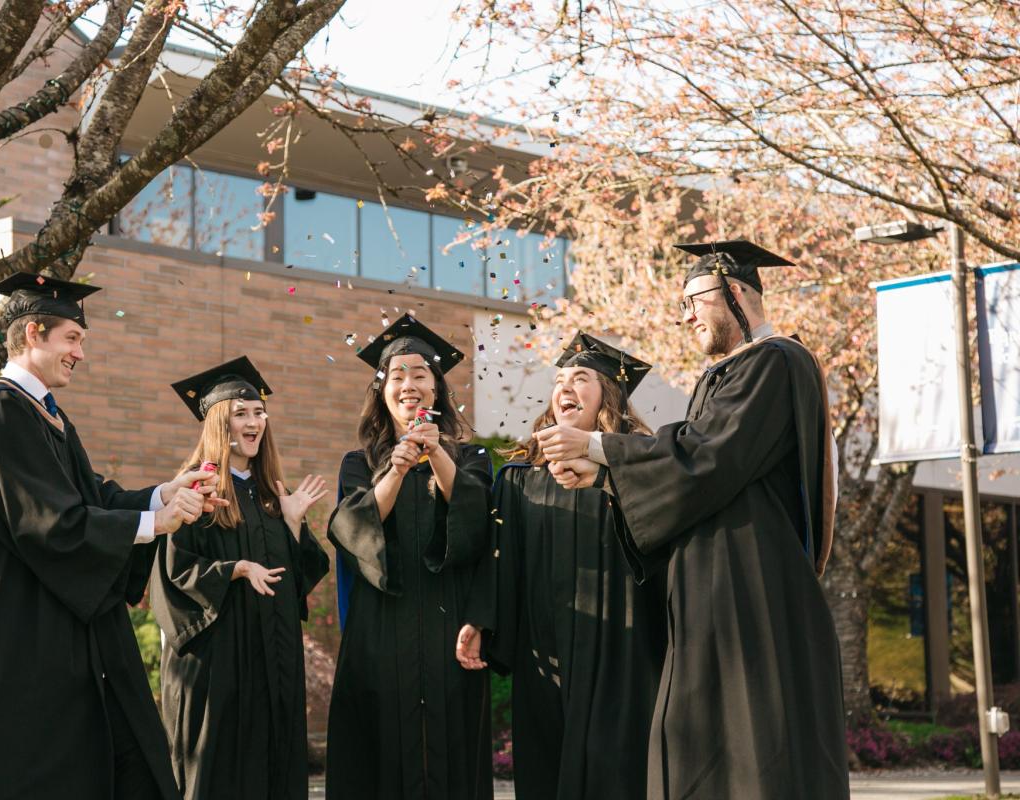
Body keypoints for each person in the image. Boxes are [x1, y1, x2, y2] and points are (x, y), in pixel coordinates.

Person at [536, 240, 848, 800]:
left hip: (755, 594)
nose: (685, 315)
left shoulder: (775, 362)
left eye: (694, 299)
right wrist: (605, 474)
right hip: (715, 596)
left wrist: (601, 448)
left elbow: (708, 456)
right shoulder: (728, 374)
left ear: (736, 292)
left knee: (759, 758)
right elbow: (696, 478)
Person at [0, 272, 219, 800]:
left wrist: (161, 496)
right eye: (73, 339)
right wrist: (153, 525)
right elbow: (48, 523)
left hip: (34, 632)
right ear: (33, 332)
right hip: (1, 640)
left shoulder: (44, 415)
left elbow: (88, 499)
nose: (81, 353)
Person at [455, 332, 667, 800]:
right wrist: (480, 618)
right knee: (547, 768)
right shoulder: (520, 477)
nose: (565, 387)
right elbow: (501, 559)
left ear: (609, 392)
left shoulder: (641, 471)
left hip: (622, 650)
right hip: (544, 650)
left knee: (616, 767)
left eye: (582, 377)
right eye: (561, 380)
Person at [325, 314, 494, 800]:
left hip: (450, 628)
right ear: (381, 392)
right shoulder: (359, 463)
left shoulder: (474, 458)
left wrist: (435, 451)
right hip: (382, 628)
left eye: (420, 374)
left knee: (452, 749)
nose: (408, 384)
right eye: (396, 376)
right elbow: (350, 530)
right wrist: (395, 471)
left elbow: (478, 522)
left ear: (437, 389)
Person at [150, 356, 330, 800]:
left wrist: (291, 525)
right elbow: (173, 573)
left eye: (259, 412)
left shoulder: (271, 493)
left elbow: (296, 580)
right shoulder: (196, 489)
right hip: (219, 664)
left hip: (272, 661)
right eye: (241, 414)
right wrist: (234, 569)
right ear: (218, 425)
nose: (254, 422)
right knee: (221, 772)